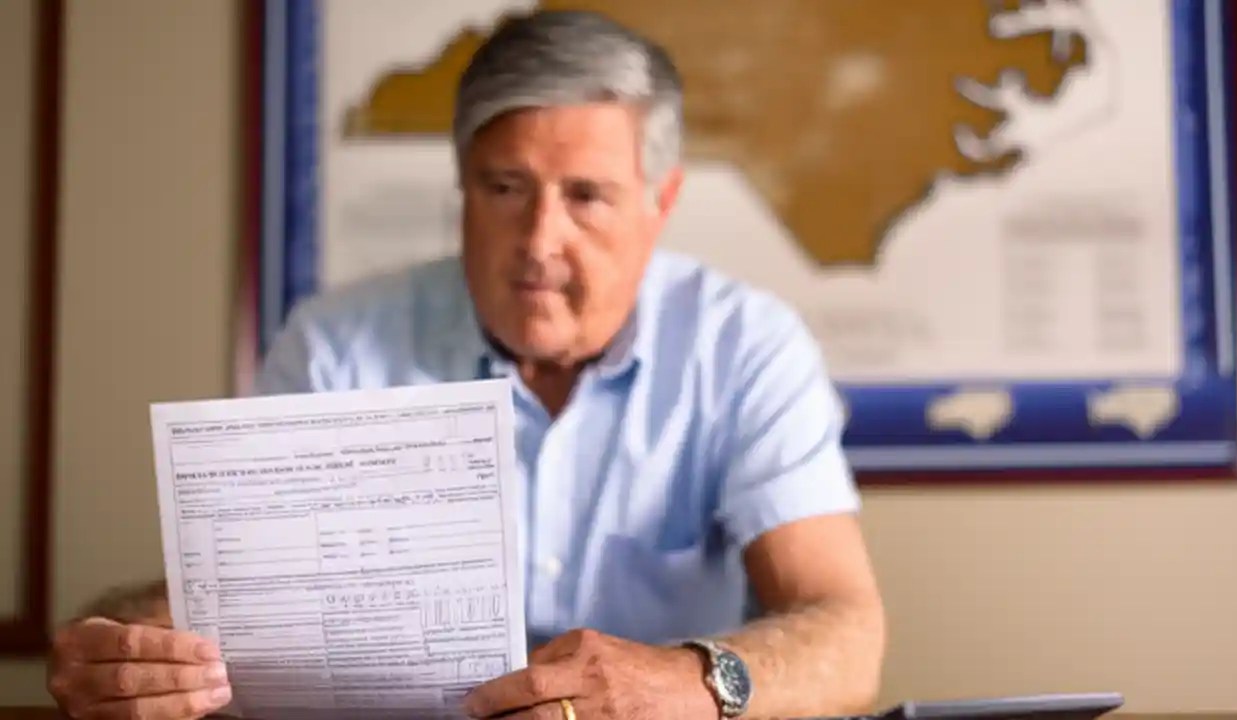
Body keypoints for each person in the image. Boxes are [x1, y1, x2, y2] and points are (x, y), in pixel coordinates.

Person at [46, 9, 885, 720]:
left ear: (660, 202)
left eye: (585, 196)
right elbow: (232, 614)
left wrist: (692, 682)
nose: (539, 241)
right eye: (505, 188)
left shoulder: (744, 347)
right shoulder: (340, 344)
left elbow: (847, 633)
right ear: (462, 185)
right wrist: (126, 652)